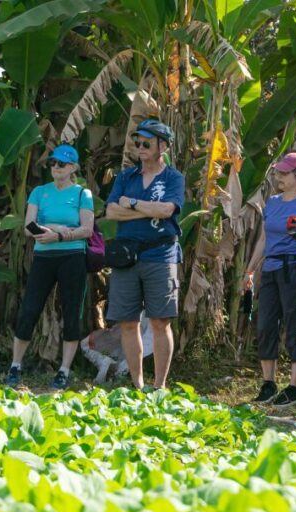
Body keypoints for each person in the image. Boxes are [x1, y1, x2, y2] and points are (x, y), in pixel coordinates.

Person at [105, 119, 185, 389]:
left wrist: (132, 203)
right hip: (126, 256)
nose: (140, 146)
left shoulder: (173, 178)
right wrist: (148, 209)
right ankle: (138, 385)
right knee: (128, 322)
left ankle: (159, 386)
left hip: (161, 255)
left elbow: (167, 210)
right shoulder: (126, 176)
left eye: (146, 143)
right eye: (137, 142)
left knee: (160, 321)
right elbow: (111, 211)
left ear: (163, 146)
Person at [7, 144, 94, 390]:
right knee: (29, 309)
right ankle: (15, 365)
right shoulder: (40, 191)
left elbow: (87, 229)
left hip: (72, 257)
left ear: (73, 168)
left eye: (62, 164)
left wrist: (60, 236)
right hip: (44, 256)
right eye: (53, 163)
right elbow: (29, 226)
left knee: (71, 313)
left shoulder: (82, 194)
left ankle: (64, 370)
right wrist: (56, 228)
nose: (56, 167)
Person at [249, 153, 296, 407]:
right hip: (271, 268)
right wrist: (250, 269)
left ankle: (295, 386)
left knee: (295, 323)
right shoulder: (273, 202)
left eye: (284, 172)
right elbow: (264, 239)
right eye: (278, 172)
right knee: (266, 325)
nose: (278, 176)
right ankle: (268, 384)